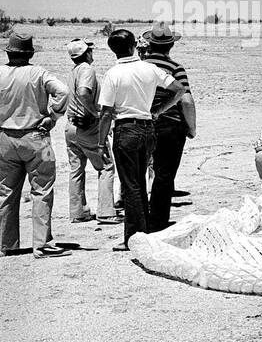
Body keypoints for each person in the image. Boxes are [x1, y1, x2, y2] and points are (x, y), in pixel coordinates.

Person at [97, 29, 185, 250]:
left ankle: (134, 237)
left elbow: (106, 113)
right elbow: (178, 89)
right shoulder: (150, 69)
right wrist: (159, 110)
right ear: (133, 46)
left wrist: (100, 143)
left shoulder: (113, 74)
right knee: (141, 181)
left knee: (131, 185)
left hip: (126, 130)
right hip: (148, 128)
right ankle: (144, 230)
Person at [0, 31, 69, 257]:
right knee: (42, 190)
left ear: (9, 52)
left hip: (4, 139)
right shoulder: (38, 73)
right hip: (36, 137)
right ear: (30, 53)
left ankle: (5, 244)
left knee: (6, 192)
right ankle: (42, 244)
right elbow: (63, 91)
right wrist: (53, 116)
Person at [141, 22, 196, 231]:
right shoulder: (175, 68)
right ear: (171, 45)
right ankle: (158, 221)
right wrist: (191, 128)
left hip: (141, 123)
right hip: (170, 126)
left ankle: (139, 219)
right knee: (164, 176)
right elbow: (187, 100)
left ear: (150, 44)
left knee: (139, 175)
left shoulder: (140, 67)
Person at [64, 37, 120, 225]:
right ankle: (106, 212)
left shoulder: (74, 70)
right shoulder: (87, 69)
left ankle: (78, 212)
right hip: (87, 126)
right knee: (105, 167)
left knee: (76, 169)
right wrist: (95, 112)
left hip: (71, 126)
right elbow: (83, 92)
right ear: (86, 53)